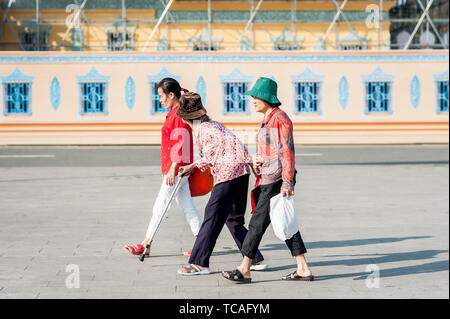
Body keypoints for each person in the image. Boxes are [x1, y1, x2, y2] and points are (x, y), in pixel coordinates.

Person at [222, 77, 313, 283]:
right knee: (285, 222)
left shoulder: (280, 119)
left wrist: (288, 182)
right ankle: (303, 268)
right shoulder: (267, 120)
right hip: (267, 178)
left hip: (277, 180)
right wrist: (257, 161)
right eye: (252, 96)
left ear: (267, 98)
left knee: (256, 224)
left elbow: (288, 151)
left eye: (256, 96)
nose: (252, 99)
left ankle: (245, 268)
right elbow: (271, 151)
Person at [175, 92, 267, 275]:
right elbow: (238, 145)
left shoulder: (202, 131)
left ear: (186, 119)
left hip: (228, 175)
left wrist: (191, 166)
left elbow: (210, 157)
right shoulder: (215, 125)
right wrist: (249, 162)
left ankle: (200, 263)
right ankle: (255, 258)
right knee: (233, 219)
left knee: (212, 216)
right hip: (241, 173)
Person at [124, 78, 202, 257]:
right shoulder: (175, 113)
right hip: (178, 169)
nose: (160, 100)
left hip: (177, 170)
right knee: (187, 206)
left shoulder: (178, 115)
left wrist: (173, 168)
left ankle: (146, 243)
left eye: (161, 96)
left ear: (172, 95)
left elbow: (182, 141)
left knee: (160, 205)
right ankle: (201, 242)